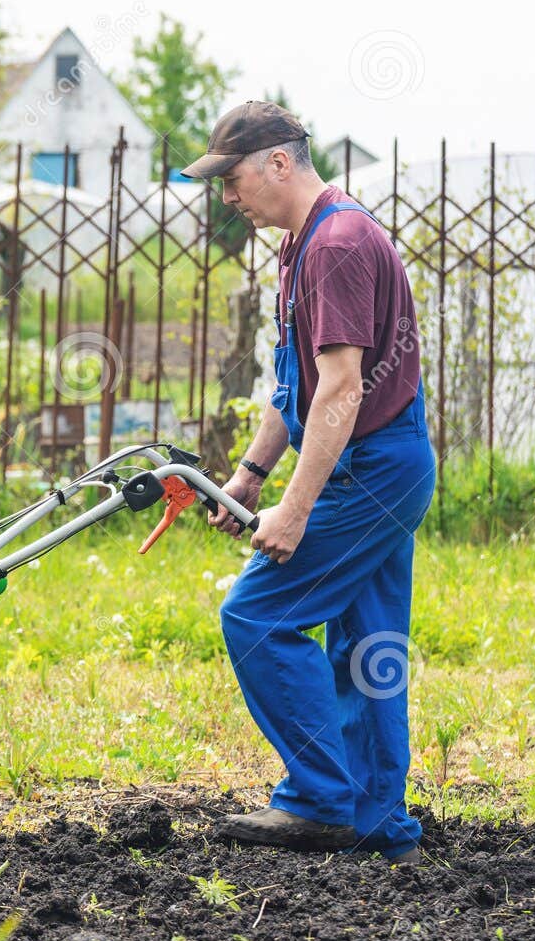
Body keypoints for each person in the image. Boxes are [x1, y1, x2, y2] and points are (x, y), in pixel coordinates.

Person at [180, 101, 435, 864]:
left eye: (232, 178)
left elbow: (342, 390)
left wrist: (295, 509)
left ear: (280, 164)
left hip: (374, 468)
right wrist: (252, 475)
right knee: (366, 651)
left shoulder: (340, 243)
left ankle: (320, 799)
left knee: (256, 617)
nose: (226, 195)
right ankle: (377, 825)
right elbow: (295, 387)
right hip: (380, 465)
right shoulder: (302, 244)